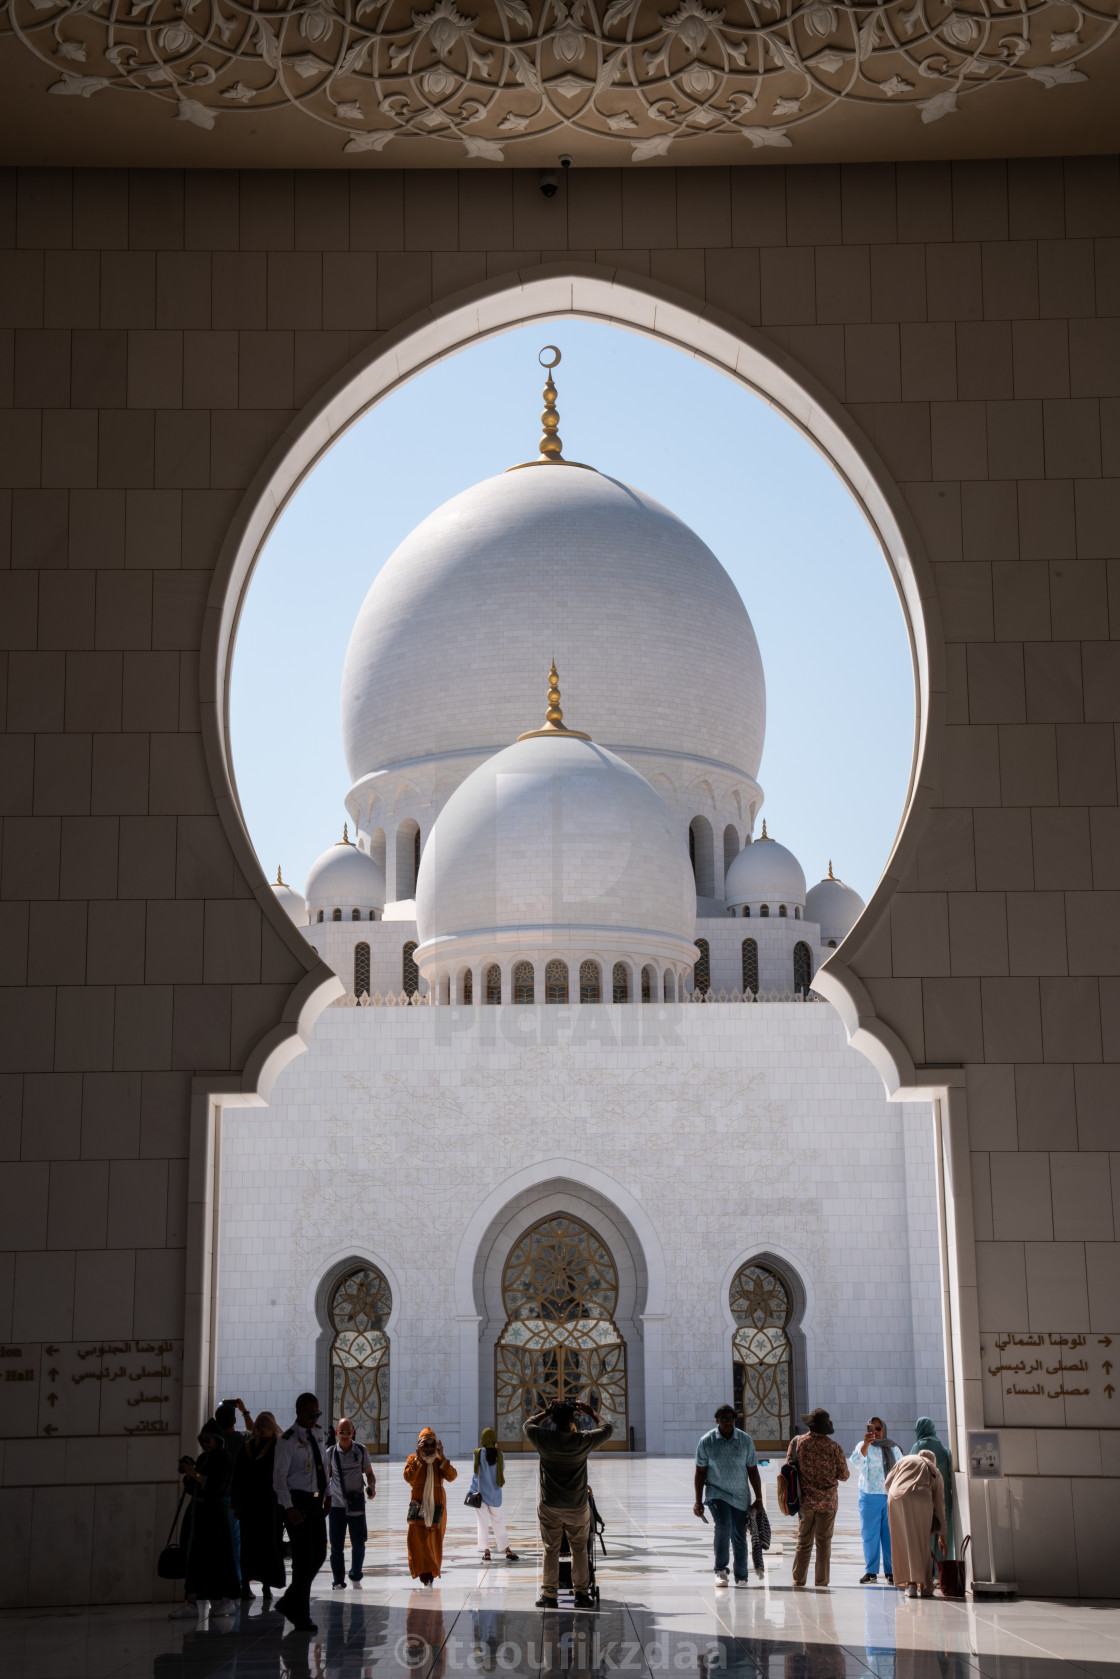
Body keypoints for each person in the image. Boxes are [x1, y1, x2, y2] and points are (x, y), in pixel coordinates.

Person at [524, 1397, 612, 1610]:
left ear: (553, 1420)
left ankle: (550, 1594)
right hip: (576, 1506)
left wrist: (547, 1411)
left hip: (550, 1505)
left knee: (551, 1549)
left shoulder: (544, 1439)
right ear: (573, 1419)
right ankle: (581, 1595)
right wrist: (591, 1412)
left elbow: (528, 1424)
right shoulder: (582, 1441)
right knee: (579, 1549)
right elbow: (607, 1428)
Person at [272, 1391, 331, 1632]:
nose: (314, 1419)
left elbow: (323, 1465)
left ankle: (289, 1601)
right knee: (303, 1560)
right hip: (297, 1503)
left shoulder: (318, 1434)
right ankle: (301, 1614)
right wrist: (289, 1507)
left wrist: (328, 1494)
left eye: (317, 1414)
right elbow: (279, 1478)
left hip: (316, 1501)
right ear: (298, 1413)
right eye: (310, 1415)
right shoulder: (287, 1440)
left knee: (319, 1554)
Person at [174, 1419, 242, 1620]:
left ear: (217, 1440)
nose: (205, 1444)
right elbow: (193, 1487)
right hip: (198, 1516)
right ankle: (191, 1603)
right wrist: (190, 1475)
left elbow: (218, 1486)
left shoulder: (224, 1459)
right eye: (203, 1440)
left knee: (219, 1558)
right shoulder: (204, 1458)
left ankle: (226, 1601)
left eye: (208, 1440)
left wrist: (194, 1474)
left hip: (215, 1517)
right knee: (195, 1560)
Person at [693, 1404, 764, 1588]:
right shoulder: (707, 1441)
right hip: (716, 1493)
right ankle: (721, 1570)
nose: (728, 1423)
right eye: (724, 1419)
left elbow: (753, 1470)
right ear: (717, 1420)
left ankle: (741, 1576)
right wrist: (698, 1501)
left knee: (739, 1534)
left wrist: (759, 1499)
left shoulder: (744, 1440)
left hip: (740, 1496)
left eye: (731, 1419)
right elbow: (700, 1472)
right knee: (724, 1525)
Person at [786, 1408, 849, 1589]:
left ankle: (798, 1579)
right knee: (823, 1544)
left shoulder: (798, 1442)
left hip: (805, 1500)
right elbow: (844, 1475)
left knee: (803, 1542)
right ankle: (821, 1581)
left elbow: (789, 1466)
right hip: (828, 1502)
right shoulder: (834, 1447)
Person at [230, 1409, 286, 1602]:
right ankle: (266, 1587)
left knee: (248, 1546)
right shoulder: (276, 1447)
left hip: (249, 1506)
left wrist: (236, 1505)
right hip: (269, 1506)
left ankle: (245, 1586)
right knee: (268, 1546)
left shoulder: (246, 1448)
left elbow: (237, 1478)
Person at [885, 1448, 947, 1597]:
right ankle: (925, 1586)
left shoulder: (904, 1460)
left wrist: (897, 1498)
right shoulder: (933, 1469)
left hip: (895, 1497)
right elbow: (940, 1505)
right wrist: (942, 1535)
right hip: (921, 1497)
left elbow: (887, 1483)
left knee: (902, 1542)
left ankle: (910, 1585)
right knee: (922, 1542)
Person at [850, 1416, 901, 1584]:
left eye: (879, 1429)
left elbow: (901, 1469)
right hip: (869, 1496)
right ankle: (871, 1572)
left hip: (890, 1497)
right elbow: (856, 1462)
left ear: (884, 1429)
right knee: (869, 1535)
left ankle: (891, 1572)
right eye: (873, 1429)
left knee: (889, 1535)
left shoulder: (892, 1448)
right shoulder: (863, 1446)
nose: (876, 1432)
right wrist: (866, 1444)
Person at [328, 1415, 376, 1588]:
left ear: (353, 1432)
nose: (345, 1436)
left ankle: (356, 1575)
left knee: (359, 1544)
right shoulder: (330, 1453)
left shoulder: (361, 1450)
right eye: (342, 1432)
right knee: (336, 1547)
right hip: (337, 1506)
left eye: (348, 1432)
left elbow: (369, 1474)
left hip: (356, 1506)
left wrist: (371, 1487)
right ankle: (338, 1581)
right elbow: (326, 1478)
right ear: (336, 1433)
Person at [404, 1428, 457, 1585]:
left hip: (437, 1507)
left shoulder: (439, 1461)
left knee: (434, 1541)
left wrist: (443, 1457)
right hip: (418, 1506)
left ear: (436, 1446)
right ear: (419, 1446)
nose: (428, 1449)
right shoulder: (413, 1459)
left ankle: (431, 1574)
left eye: (431, 1445)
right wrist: (418, 1460)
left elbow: (452, 1476)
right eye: (425, 1445)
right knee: (418, 1541)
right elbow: (408, 1477)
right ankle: (424, 1575)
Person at [909, 1417, 954, 1562]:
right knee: (943, 1532)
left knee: (924, 1536)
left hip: (923, 1497)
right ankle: (941, 1569)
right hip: (944, 1496)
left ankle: (927, 1570)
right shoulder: (943, 1449)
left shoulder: (917, 1448)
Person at [471, 1427, 518, 1563]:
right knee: (499, 1523)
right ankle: (507, 1550)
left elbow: (476, 1472)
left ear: (483, 1439)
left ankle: (487, 1552)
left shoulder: (477, 1453)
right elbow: (502, 1470)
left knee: (482, 1524)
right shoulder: (500, 1454)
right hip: (495, 1495)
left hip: (480, 1495)